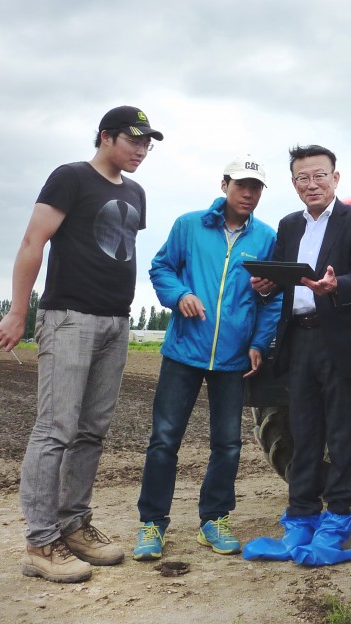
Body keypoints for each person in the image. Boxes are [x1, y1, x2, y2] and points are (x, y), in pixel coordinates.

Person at [0, 106, 163, 584]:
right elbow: (33, 242)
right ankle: (40, 540)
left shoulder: (136, 193)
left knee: (91, 430)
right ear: (106, 137)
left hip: (116, 322)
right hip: (69, 317)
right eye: (134, 140)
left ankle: (74, 525)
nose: (141, 150)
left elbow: (118, 250)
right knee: (56, 428)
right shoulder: (69, 178)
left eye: (148, 143)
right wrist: (18, 310)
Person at [132, 155, 282, 561]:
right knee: (164, 440)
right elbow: (161, 267)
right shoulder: (189, 226)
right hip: (184, 351)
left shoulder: (266, 238)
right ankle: (152, 524)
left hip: (234, 357)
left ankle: (214, 520)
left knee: (228, 444)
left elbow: (272, 297)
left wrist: (258, 342)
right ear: (224, 185)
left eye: (256, 188)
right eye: (241, 185)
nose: (249, 193)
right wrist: (180, 295)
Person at [243, 144, 351, 565]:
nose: (312, 184)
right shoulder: (289, 226)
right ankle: (300, 520)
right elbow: (283, 276)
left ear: (335, 178)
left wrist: (334, 285)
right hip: (299, 339)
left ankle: (337, 521)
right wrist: (267, 284)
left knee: (342, 435)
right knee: (303, 434)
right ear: (293, 183)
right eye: (303, 178)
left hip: (340, 338)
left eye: (320, 175)